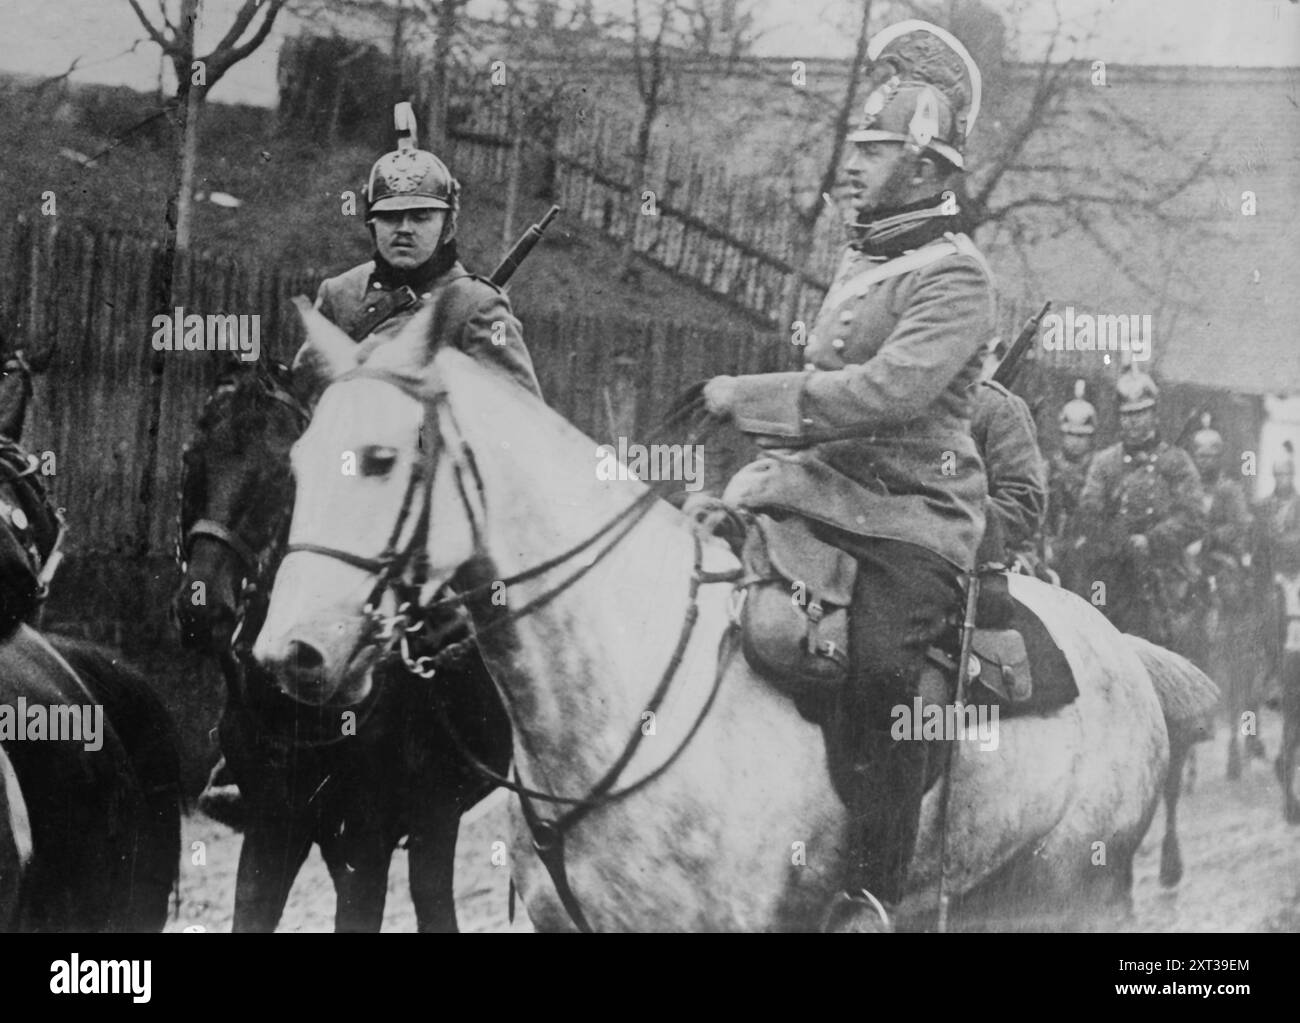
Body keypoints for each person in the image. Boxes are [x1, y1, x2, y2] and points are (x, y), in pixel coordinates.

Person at [702, 20, 992, 931]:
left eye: (873, 151)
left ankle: (873, 883)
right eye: (858, 148)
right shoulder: (870, 256)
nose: (853, 166)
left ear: (930, 172)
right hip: (817, 493)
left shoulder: (956, 275)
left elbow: (882, 392)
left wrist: (752, 395)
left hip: (912, 517)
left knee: (880, 672)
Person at [294, 102, 540, 399]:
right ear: (371, 222)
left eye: (421, 216)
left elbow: (522, 416)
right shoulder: (340, 294)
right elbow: (299, 402)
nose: (404, 228)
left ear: (448, 226)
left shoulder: (478, 306)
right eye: (390, 216)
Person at [1076, 368, 1206, 649]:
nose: (1133, 422)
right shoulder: (1104, 463)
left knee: (1173, 650)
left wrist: (1152, 540)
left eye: (1141, 413)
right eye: (1127, 414)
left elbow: (1194, 517)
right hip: (1112, 576)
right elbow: (1089, 514)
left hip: (1164, 576)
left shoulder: (1176, 462)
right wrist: (1121, 539)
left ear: (1155, 414)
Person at [1191, 417, 1263, 774]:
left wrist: (1211, 539)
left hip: (1219, 567)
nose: (1204, 461)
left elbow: (1241, 526)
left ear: (1219, 457)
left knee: (1226, 615)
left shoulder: (1229, 490)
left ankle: (1238, 728)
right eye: (1198, 455)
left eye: (1210, 455)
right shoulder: (1185, 488)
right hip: (1189, 566)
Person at [970, 341, 1048, 572]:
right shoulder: (903, 404)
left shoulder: (997, 408)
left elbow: (1023, 503)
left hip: (979, 559)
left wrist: (960, 517)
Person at [1044, 379, 1097, 595]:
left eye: (1081, 436)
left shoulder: (1098, 469)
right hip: (1052, 546)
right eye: (1071, 435)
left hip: (1085, 549)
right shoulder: (1048, 469)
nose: (1075, 442)